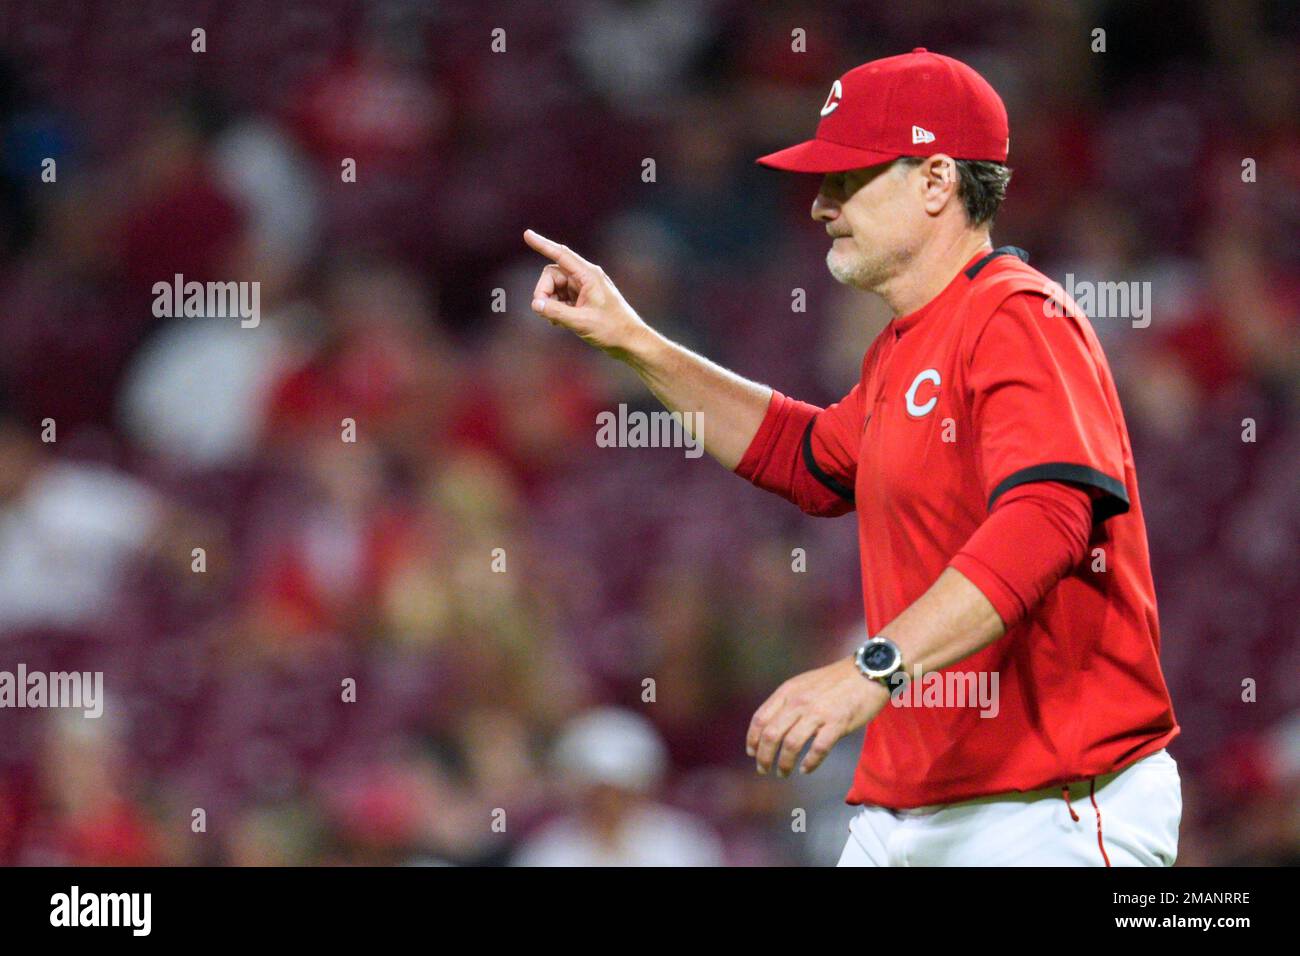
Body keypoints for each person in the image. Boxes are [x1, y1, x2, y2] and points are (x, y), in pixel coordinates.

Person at [523, 49, 1180, 866]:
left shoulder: (1020, 316)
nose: (821, 206)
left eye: (847, 178)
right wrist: (635, 341)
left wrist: (873, 668)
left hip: (1048, 803)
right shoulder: (905, 348)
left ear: (937, 181)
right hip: (912, 807)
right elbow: (802, 457)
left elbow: (1048, 519)